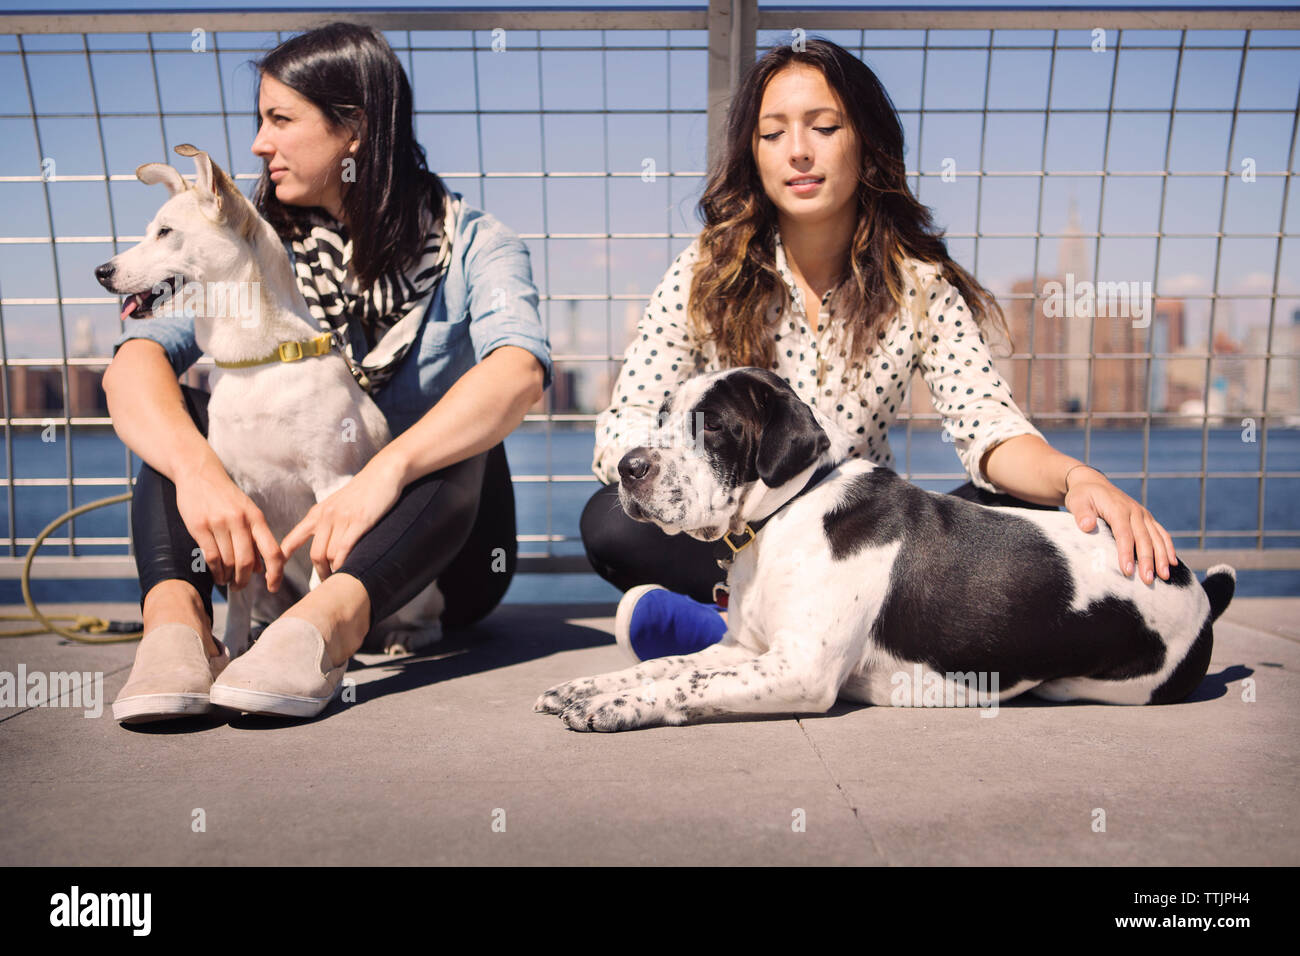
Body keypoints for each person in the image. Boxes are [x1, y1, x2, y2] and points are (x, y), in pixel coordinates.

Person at [581, 37, 1178, 662]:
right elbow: (626, 419)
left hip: (855, 546)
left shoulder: (918, 283)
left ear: (865, 140)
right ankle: (749, 624)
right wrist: (691, 484)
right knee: (615, 523)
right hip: (731, 532)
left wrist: (1078, 478)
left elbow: (990, 430)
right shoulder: (706, 270)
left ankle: (750, 632)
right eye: (773, 134)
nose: (799, 152)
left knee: (1004, 503)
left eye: (824, 127)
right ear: (752, 154)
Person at [106, 23, 551, 722]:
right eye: (260, 120)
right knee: (179, 418)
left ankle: (326, 626)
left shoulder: (475, 242)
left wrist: (386, 470)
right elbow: (134, 365)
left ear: (355, 130)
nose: (258, 143)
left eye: (279, 119)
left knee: (458, 431)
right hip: (293, 560)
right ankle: (177, 628)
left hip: (439, 561)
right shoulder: (248, 247)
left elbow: (520, 371)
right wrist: (198, 472)